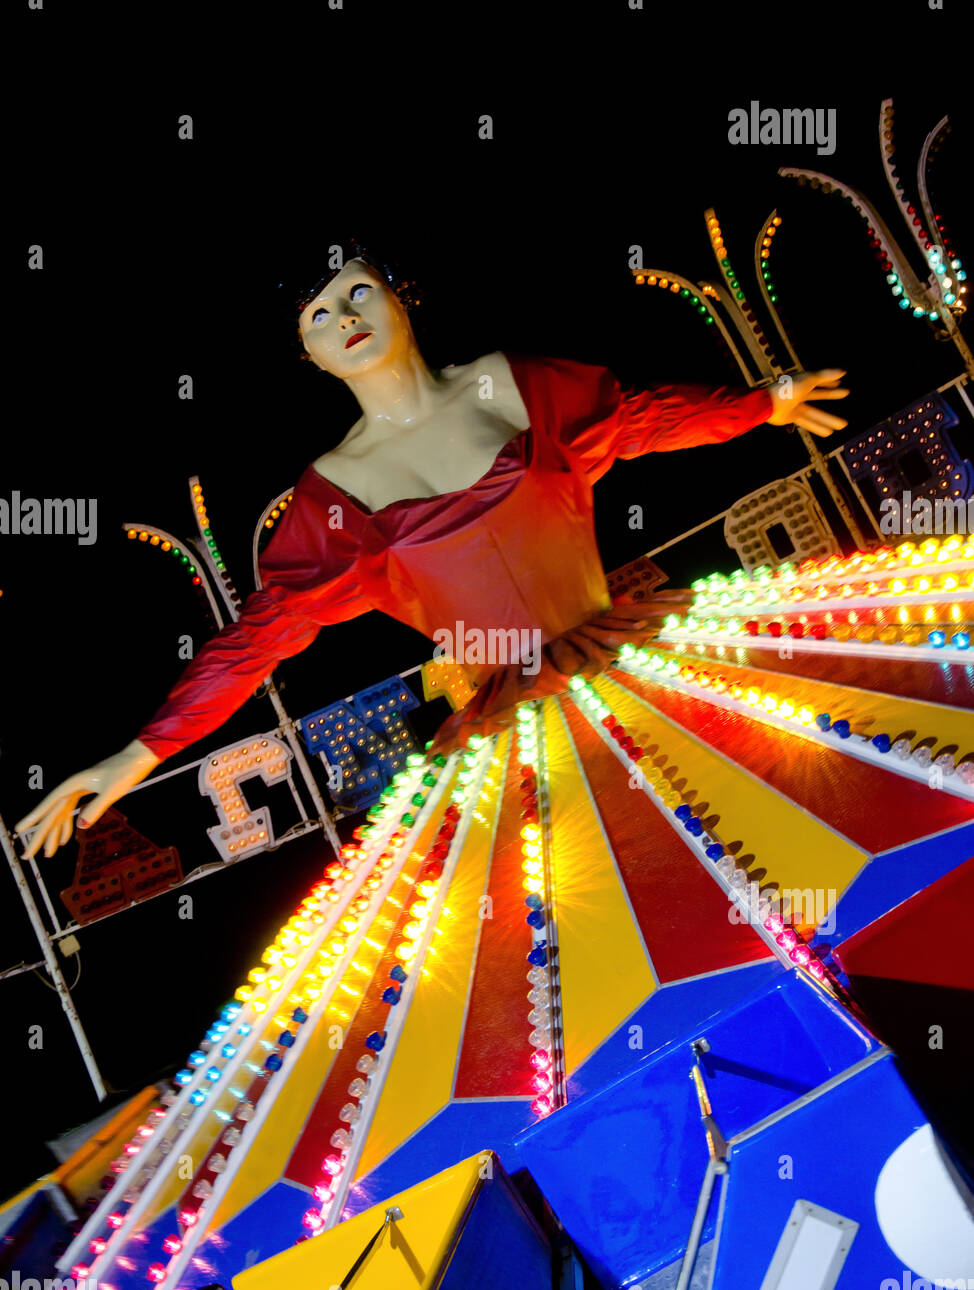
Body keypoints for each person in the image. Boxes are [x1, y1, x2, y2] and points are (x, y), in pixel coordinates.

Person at [16, 250, 848, 860]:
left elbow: (635, 422)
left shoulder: (505, 382)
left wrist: (758, 408)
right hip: (513, 726)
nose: (344, 315)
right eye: (318, 315)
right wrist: (140, 753)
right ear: (305, 353)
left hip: (634, 654)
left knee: (774, 822)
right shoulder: (333, 492)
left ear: (399, 295)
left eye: (357, 291)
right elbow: (258, 641)